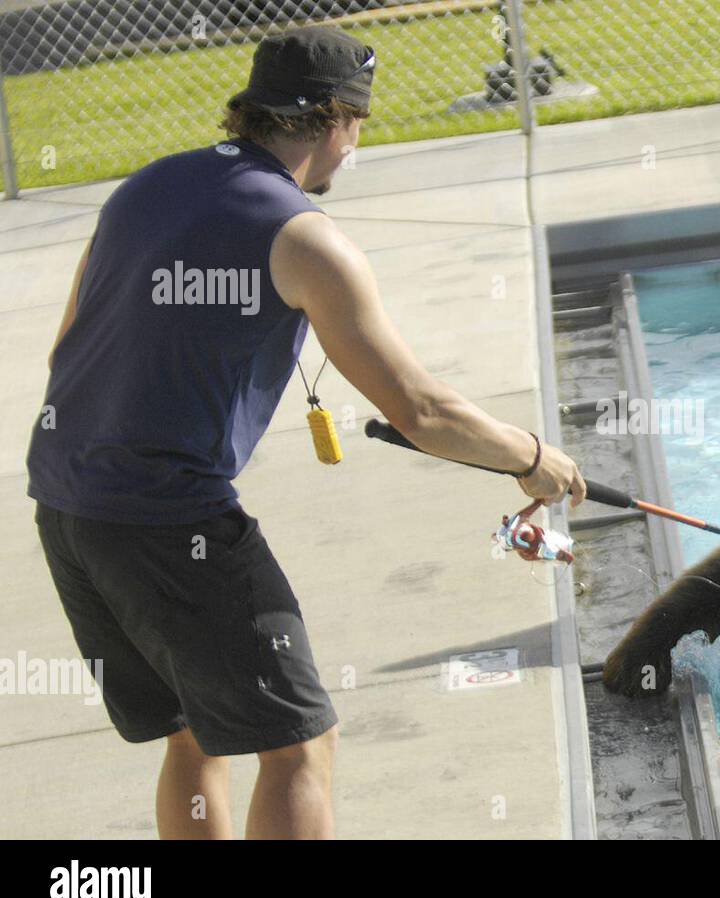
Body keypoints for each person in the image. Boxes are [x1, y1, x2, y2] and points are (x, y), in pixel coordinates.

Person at [25, 26, 586, 840]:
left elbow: (64, 348)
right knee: (299, 745)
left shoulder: (139, 189)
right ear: (338, 123)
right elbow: (420, 412)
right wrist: (533, 459)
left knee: (193, 734)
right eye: (359, 125)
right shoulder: (306, 238)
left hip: (67, 507)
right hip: (166, 521)